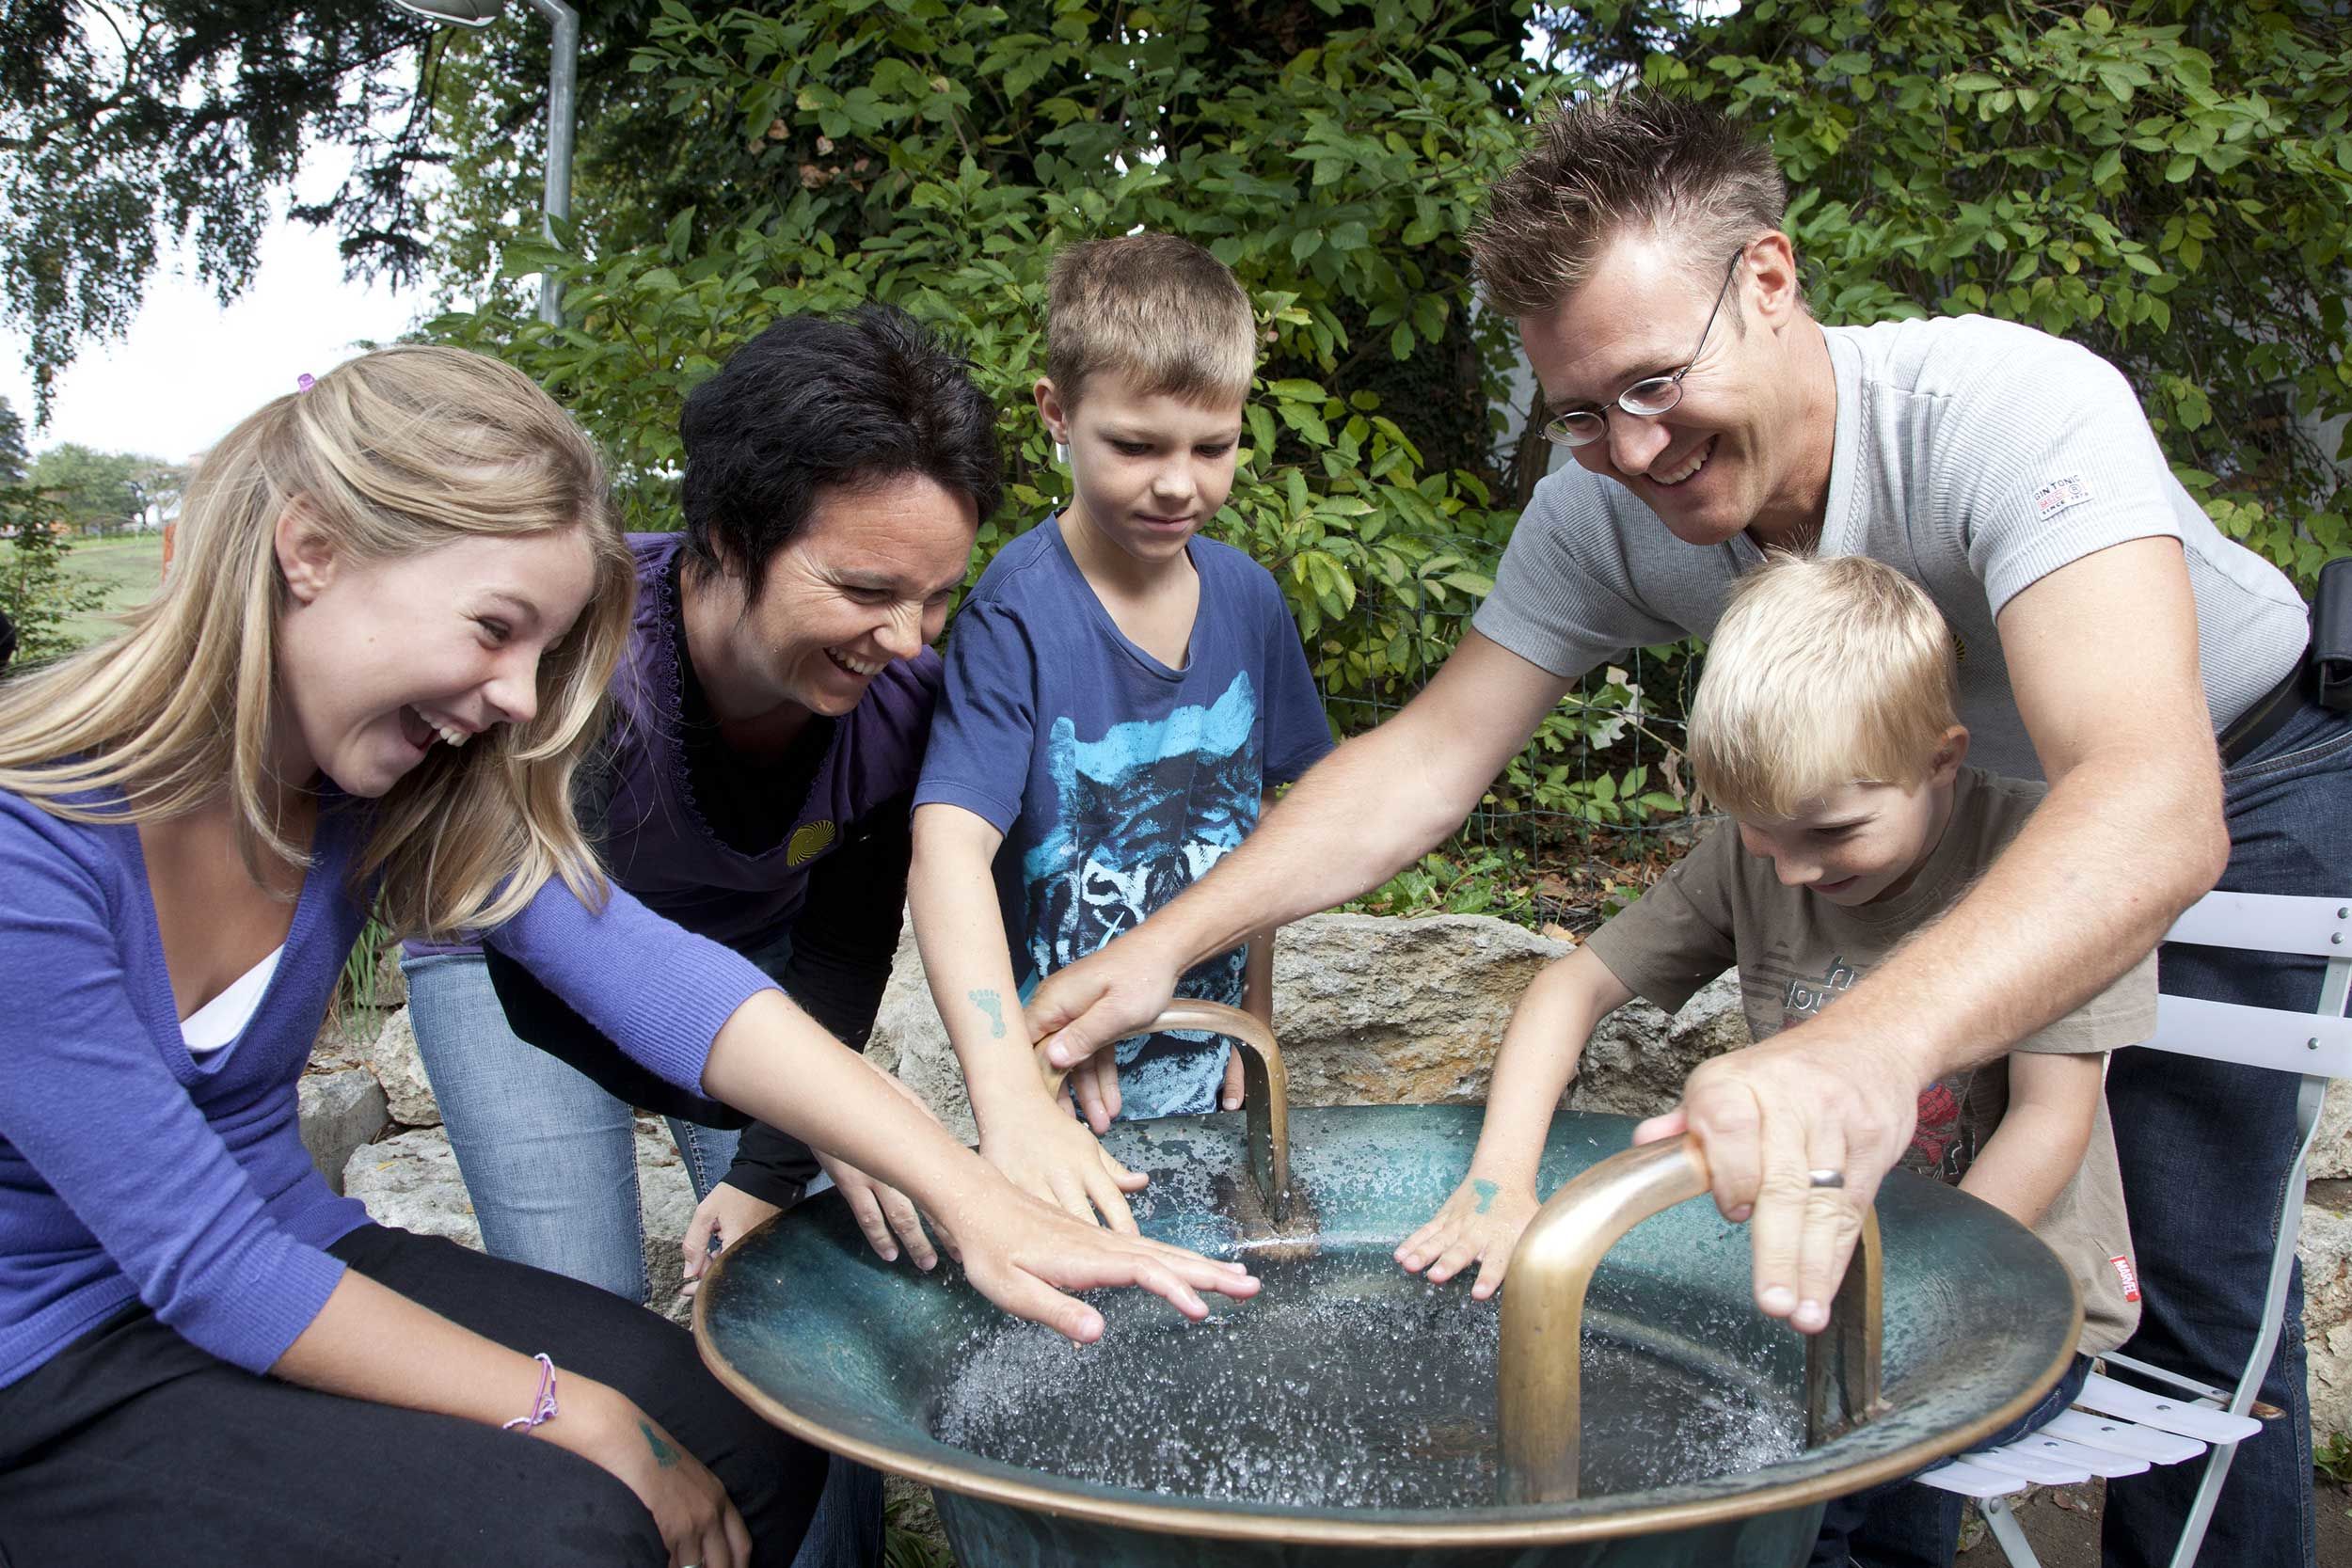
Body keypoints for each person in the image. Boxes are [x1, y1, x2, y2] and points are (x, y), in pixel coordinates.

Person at [1020, 91, 2346, 1567]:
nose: (1633, 450)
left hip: (2228, 768)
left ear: (1770, 280)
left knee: (2191, 1298)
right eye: (1580, 411)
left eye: (1654, 383)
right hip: (1904, 831)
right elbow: (1426, 764)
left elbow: (2152, 803)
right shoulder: (1605, 509)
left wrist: (1857, 1046)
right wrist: (1171, 945)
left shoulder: (2006, 413)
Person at [0, 346, 1258, 1568]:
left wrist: (976, 1191)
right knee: (572, 1512)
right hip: (53, 1358)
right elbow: (201, 1259)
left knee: (744, 1415)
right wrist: (575, 1411)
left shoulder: (356, 786)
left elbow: (660, 975)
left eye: (538, 653)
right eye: (494, 630)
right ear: (312, 549)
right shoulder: (30, 851)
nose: (515, 696)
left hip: (288, 1247)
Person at [1397, 554, 2149, 1567]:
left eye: (1832, 831)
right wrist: (1499, 1178)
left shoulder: (2045, 859)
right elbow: (1566, 989)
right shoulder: (1757, 853)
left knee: (1809, 1453)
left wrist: (1894, 1295)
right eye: (1759, 832)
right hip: (1804, 1284)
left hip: (2010, 1295)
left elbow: (2050, 1122)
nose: (1794, 869)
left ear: (1941, 757)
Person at [402, 305, 993, 1566]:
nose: (908, 640)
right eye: (867, 588)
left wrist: (772, 1168)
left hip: (757, 953)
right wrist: (804, 1125)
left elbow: (841, 949)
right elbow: (573, 989)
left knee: (824, 1280)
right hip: (512, 958)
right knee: (581, 1304)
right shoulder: (576, 677)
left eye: (939, 595)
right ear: (729, 539)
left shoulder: (903, 700)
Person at [909, 234, 1332, 1228]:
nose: (1178, 482)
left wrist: (1251, 1019)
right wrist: (1010, 1077)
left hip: (1208, 1055)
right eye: (1136, 445)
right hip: (1064, 1085)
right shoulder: (1015, 613)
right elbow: (946, 845)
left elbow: (1279, 828)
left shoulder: (1250, 602)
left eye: (1212, 447)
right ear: (1056, 413)